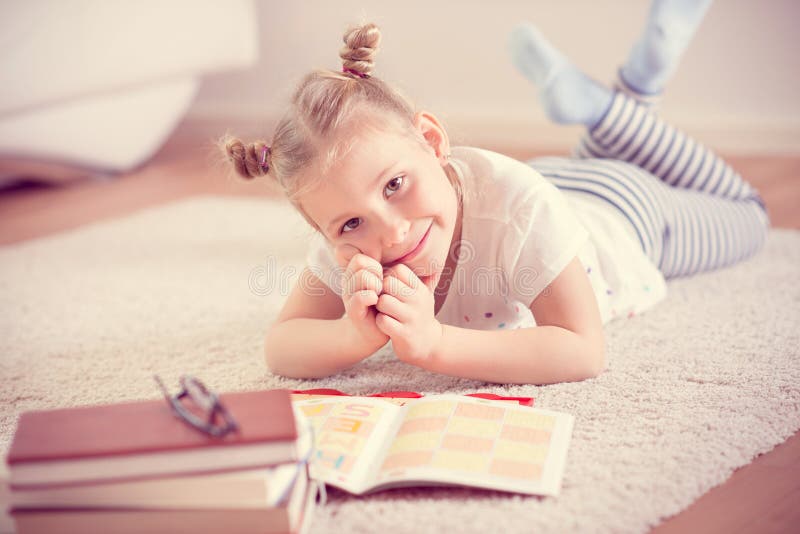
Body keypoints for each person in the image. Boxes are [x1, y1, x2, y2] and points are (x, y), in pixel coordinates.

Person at [223, 0, 768, 384]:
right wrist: (350, 337)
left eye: (395, 184)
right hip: (558, 185)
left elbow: (581, 349)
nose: (388, 232)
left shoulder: (520, 208)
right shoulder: (351, 246)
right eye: (348, 224)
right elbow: (282, 345)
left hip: (628, 216)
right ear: (325, 230)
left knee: (751, 213)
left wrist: (435, 344)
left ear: (432, 141)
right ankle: (627, 98)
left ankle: (614, 108)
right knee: (597, 166)